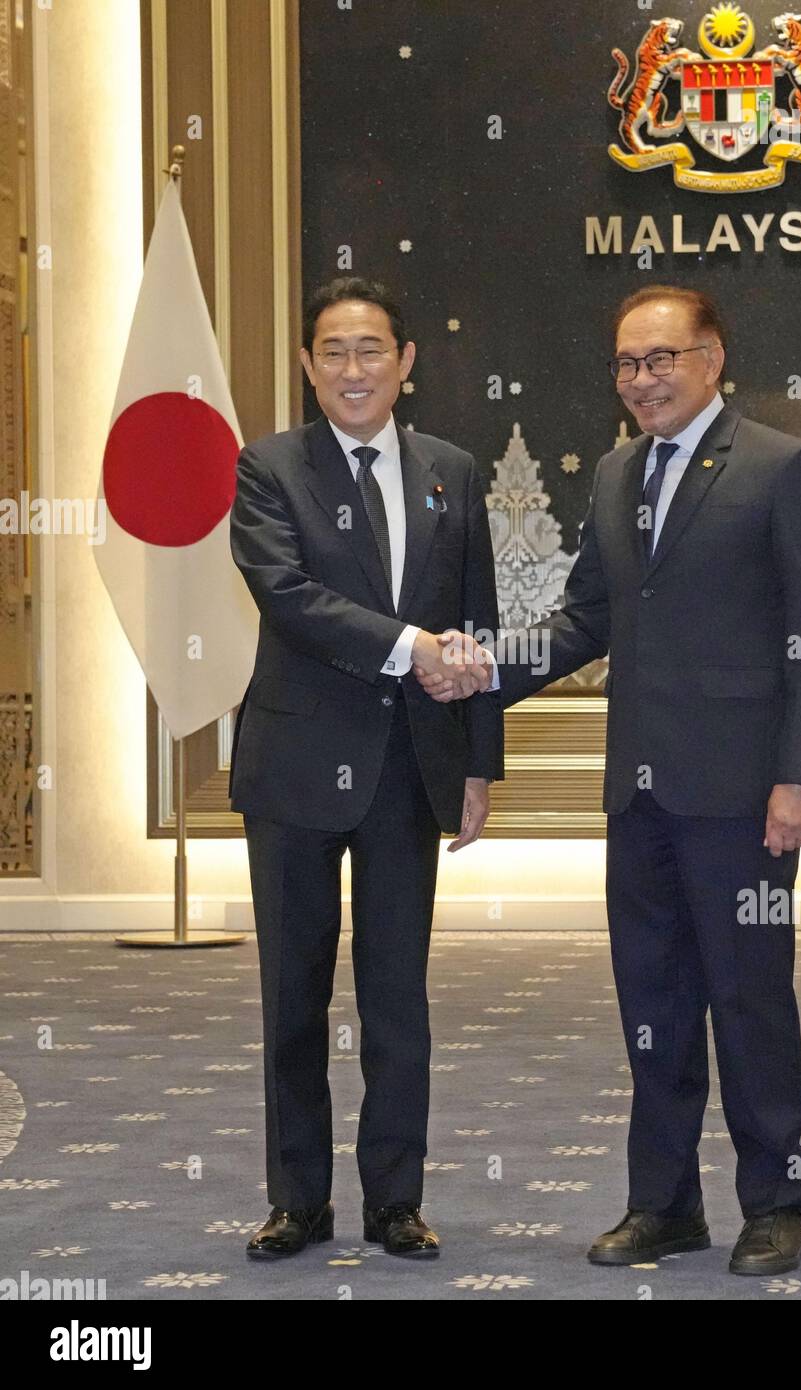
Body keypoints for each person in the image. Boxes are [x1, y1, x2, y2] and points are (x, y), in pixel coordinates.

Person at [416, 285, 801, 1275]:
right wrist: (483, 665)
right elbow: (583, 622)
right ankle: (663, 1203)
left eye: (660, 359)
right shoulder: (616, 475)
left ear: (711, 360)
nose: (641, 380)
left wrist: (800, 778)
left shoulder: (781, 467)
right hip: (639, 797)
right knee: (649, 1002)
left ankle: (774, 1200)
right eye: (625, 364)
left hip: (742, 799)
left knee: (749, 1001)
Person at [229, 276, 501, 1260]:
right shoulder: (268, 470)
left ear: (406, 361)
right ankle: (297, 1200)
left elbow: (475, 619)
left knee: (398, 996)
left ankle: (396, 1199)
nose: (354, 368)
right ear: (307, 366)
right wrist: (409, 648)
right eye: (334, 351)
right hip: (295, 771)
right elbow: (287, 595)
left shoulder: (452, 471)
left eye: (371, 349)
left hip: (405, 771)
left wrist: (478, 763)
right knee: (292, 993)